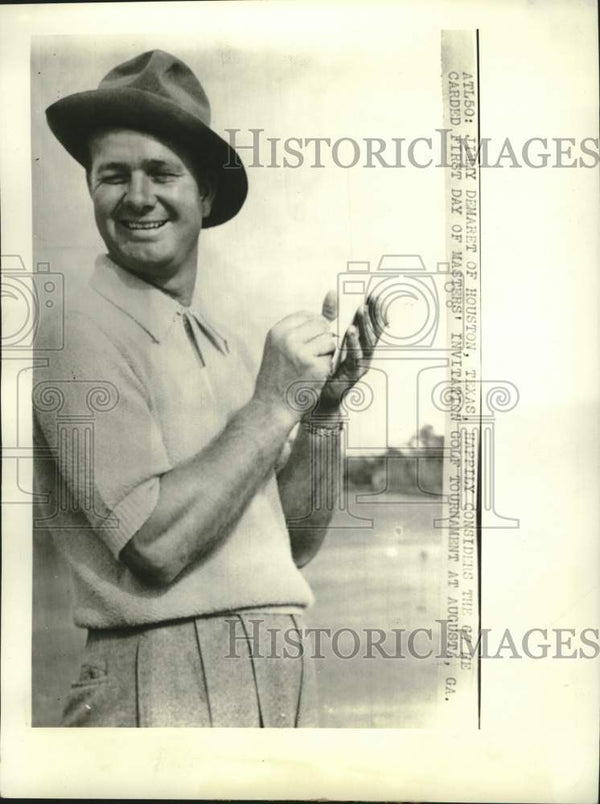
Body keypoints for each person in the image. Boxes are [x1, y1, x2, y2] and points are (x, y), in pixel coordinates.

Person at [34, 49, 377, 727]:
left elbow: (292, 545)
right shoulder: (74, 328)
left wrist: (319, 415)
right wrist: (275, 401)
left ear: (206, 196)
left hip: (281, 669)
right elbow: (156, 548)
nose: (137, 197)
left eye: (162, 172)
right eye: (113, 175)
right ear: (90, 189)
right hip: (157, 673)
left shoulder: (227, 342)